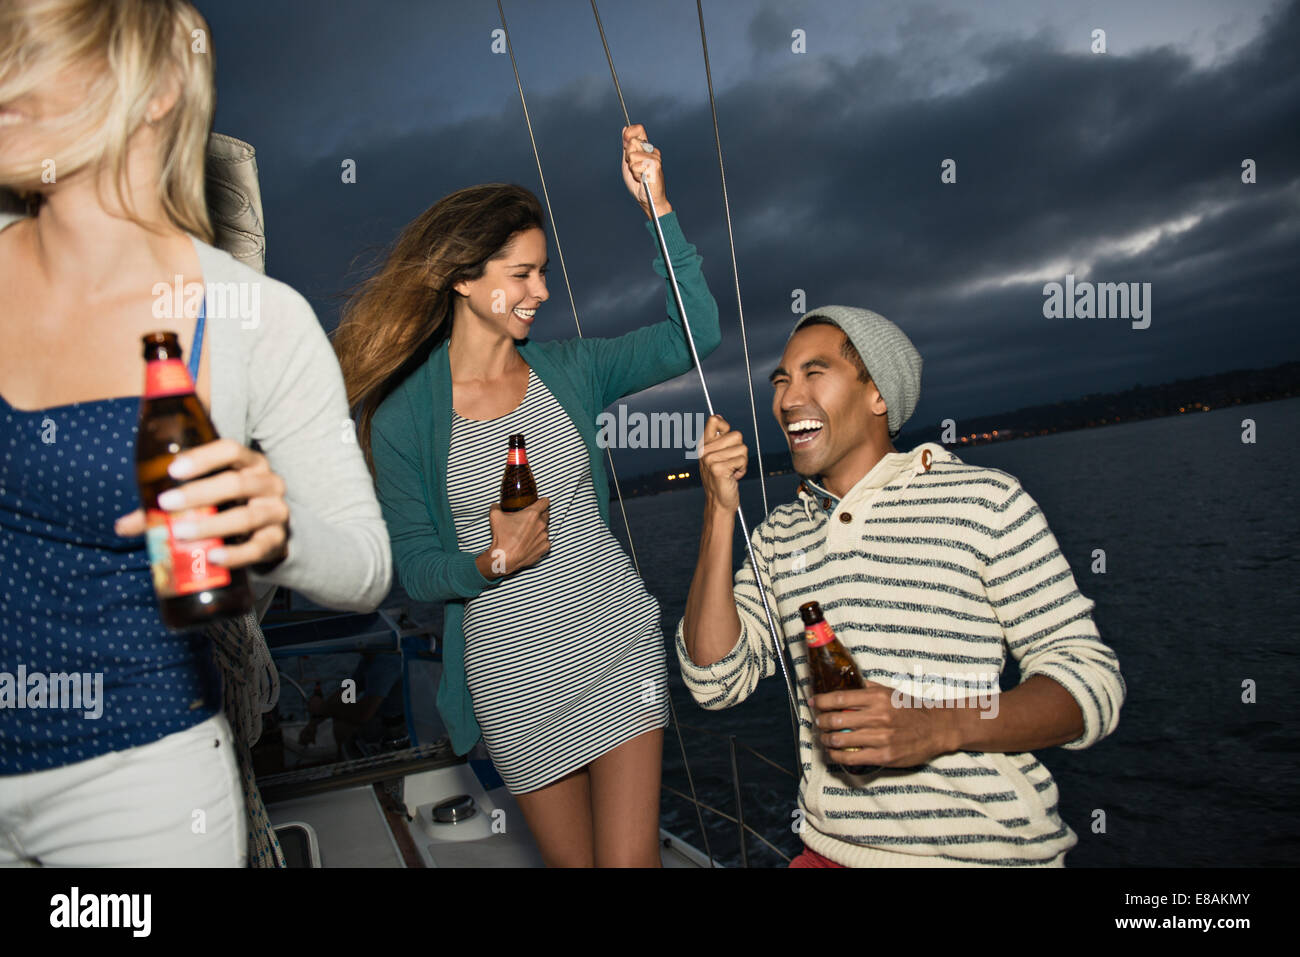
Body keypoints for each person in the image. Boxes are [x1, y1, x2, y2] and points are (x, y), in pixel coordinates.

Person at [0, 0, 391, 866]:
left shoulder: (254, 319)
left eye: (32, 48)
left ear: (155, 90)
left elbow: (367, 567)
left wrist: (276, 525)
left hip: (134, 790)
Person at [335, 124, 720, 867]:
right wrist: (490, 561)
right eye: (523, 273)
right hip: (515, 682)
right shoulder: (404, 413)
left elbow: (693, 332)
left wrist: (657, 208)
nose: (542, 290)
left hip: (616, 646)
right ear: (463, 278)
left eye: (543, 272)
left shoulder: (570, 369)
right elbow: (416, 567)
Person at [680, 306, 1126, 867]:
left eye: (814, 373)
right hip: (828, 852)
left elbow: (1090, 683)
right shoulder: (779, 535)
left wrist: (936, 726)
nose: (787, 398)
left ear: (879, 395)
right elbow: (714, 680)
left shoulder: (985, 502)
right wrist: (719, 512)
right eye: (781, 380)